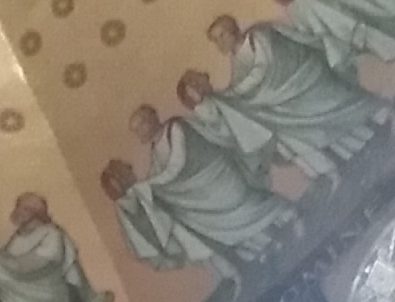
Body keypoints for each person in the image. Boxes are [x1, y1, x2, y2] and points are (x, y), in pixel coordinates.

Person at [108, 102, 289, 278]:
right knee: (211, 226)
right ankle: (261, 246)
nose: (139, 132)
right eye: (136, 130)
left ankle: (284, 214)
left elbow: (176, 166)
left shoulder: (176, 128)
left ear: (152, 118)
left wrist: (147, 186)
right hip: (199, 195)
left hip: (215, 179)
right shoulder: (156, 149)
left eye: (140, 125)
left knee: (241, 207)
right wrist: (145, 191)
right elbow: (158, 179)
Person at [197, 16, 387, 178]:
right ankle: (357, 149)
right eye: (216, 40)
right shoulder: (237, 60)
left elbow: (263, 68)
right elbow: (241, 85)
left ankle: (386, 115)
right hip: (287, 99)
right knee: (312, 129)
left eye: (221, 36)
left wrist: (232, 94)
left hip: (305, 79)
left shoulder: (258, 36)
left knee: (340, 105)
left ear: (232, 30)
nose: (220, 43)